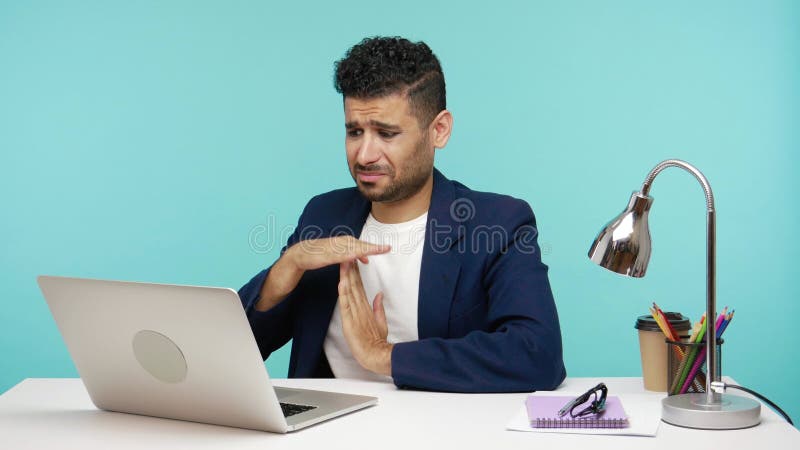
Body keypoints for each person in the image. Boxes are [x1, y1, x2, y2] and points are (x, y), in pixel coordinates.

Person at [238, 36, 566, 393]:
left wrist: (383, 356)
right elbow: (237, 350)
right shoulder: (324, 213)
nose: (364, 155)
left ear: (438, 130)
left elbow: (537, 355)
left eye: (386, 133)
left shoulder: (498, 223)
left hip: (443, 430)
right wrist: (288, 267)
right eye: (354, 131)